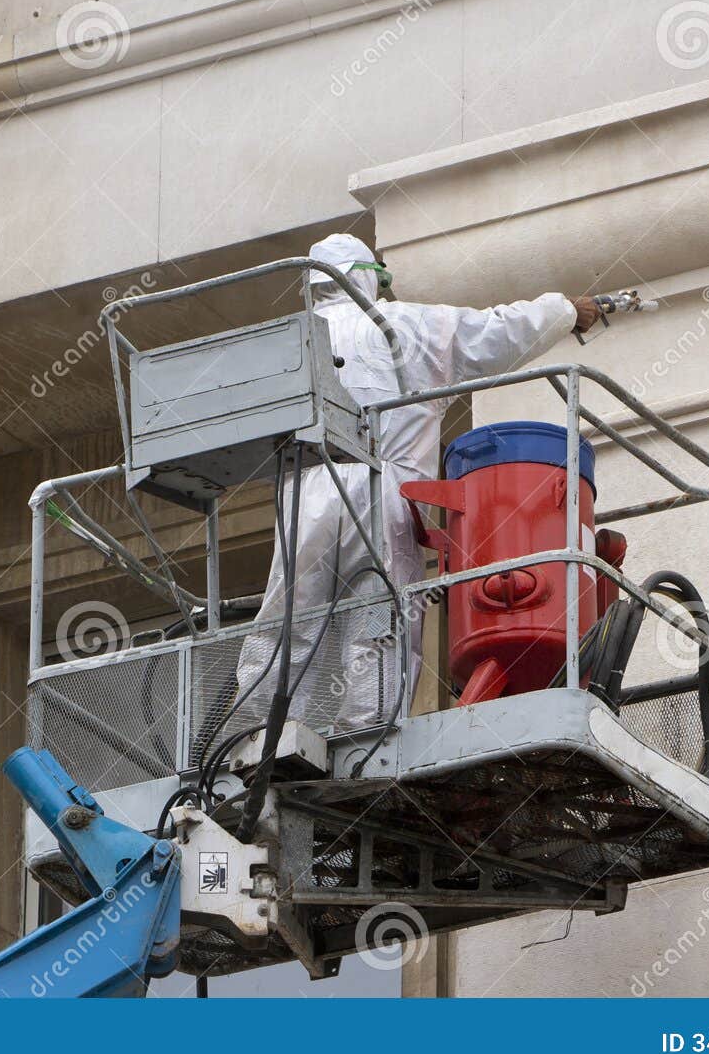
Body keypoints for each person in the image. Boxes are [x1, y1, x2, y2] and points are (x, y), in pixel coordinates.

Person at [230, 233, 604, 733]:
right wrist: (563, 310)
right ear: (371, 276)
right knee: (379, 619)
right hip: (385, 490)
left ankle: (257, 736)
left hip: (307, 492)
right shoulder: (406, 323)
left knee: (287, 619)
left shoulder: (287, 341)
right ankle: (366, 735)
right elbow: (497, 332)